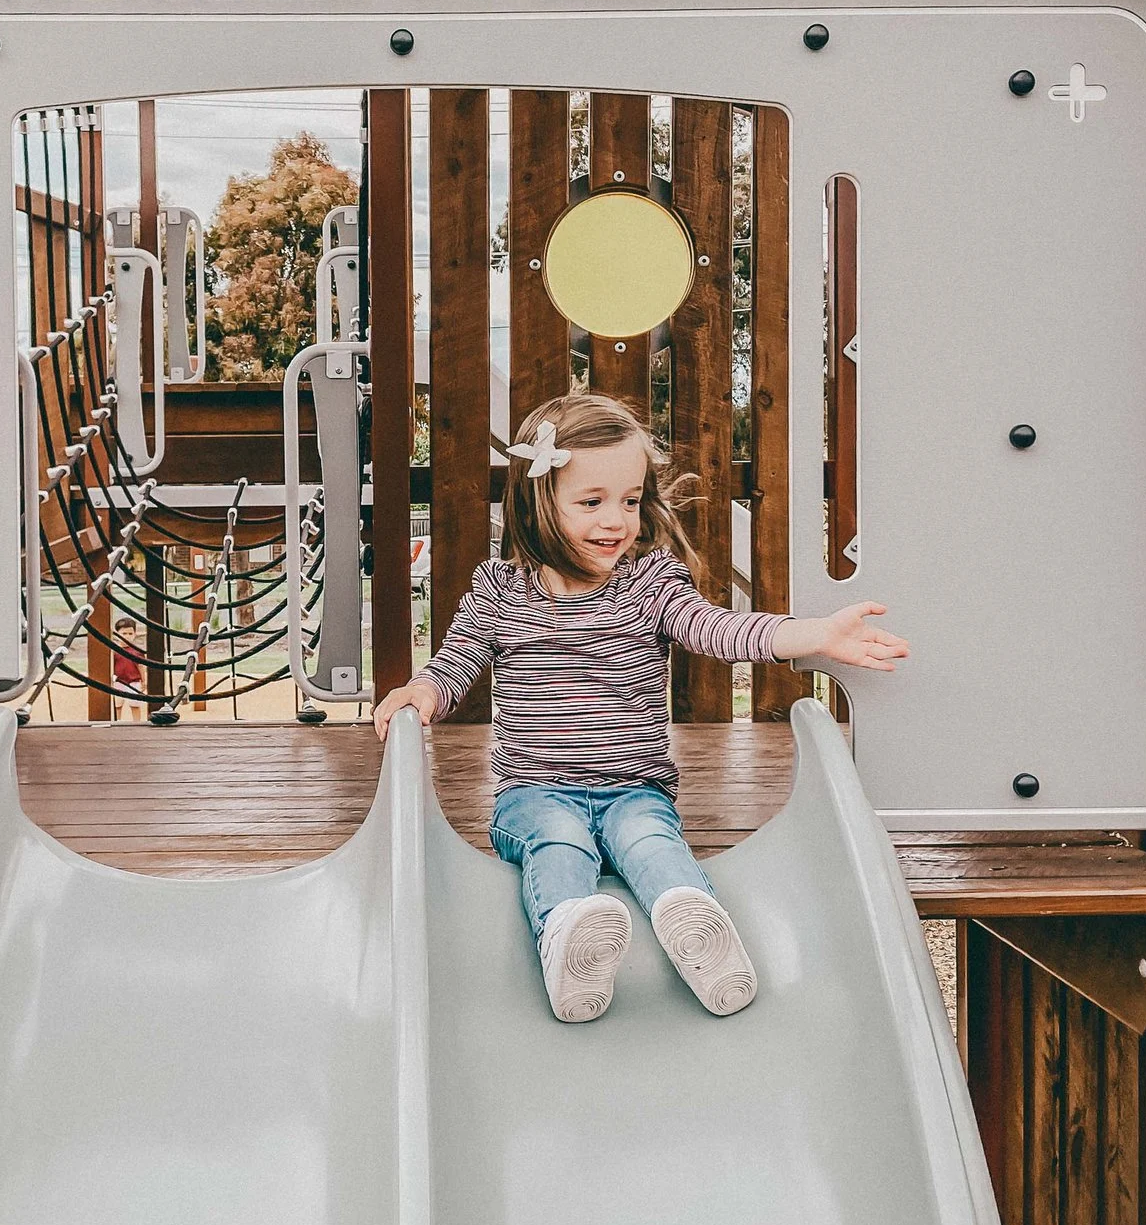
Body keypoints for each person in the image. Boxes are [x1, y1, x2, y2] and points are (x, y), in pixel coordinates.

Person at [372, 392, 907, 1023]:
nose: (616, 520)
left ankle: (697, 933)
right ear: (541, 501)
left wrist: (815, 634)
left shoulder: (647, 583)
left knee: (653, 844)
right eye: (591, 502)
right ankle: (568, 944)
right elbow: (457, 661)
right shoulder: (501, 591)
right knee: (559, 843)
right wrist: (424, 694)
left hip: (635, 787)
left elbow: (721, 630)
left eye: (629, 500)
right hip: (536, 792)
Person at [110, 617, 148, 721]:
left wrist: (144, 680)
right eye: (124, 633)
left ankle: (137, 723)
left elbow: (141, 665)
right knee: (117, 704)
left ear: (135, 634)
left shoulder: (137, 651)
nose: (127, 636)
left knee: (135, 704)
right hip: (118, 681)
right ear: (117, 634)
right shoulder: (114, 650)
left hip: (134, 680)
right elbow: (111, 665)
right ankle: (117, 723)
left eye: (130, 634)